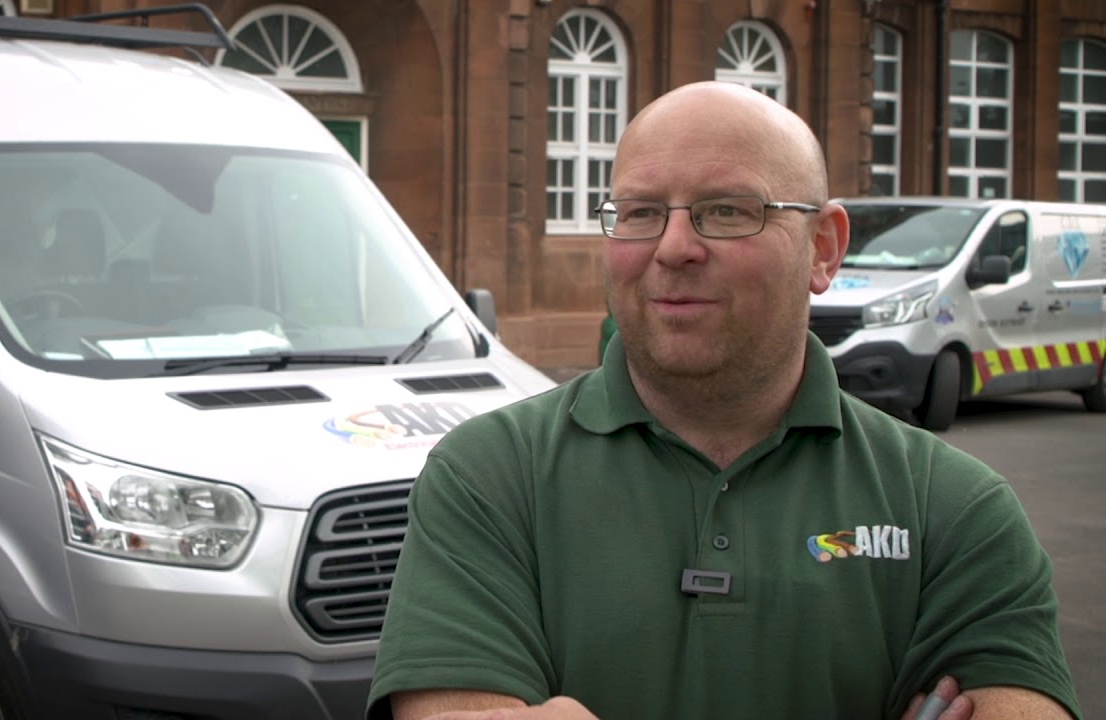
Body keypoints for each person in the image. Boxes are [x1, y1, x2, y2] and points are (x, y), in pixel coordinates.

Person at [365, 81, 1082, 720]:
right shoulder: (487, 479)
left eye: (727, 210)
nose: (674, 246)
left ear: (825, 248)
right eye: (641, 211)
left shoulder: (951, 509)